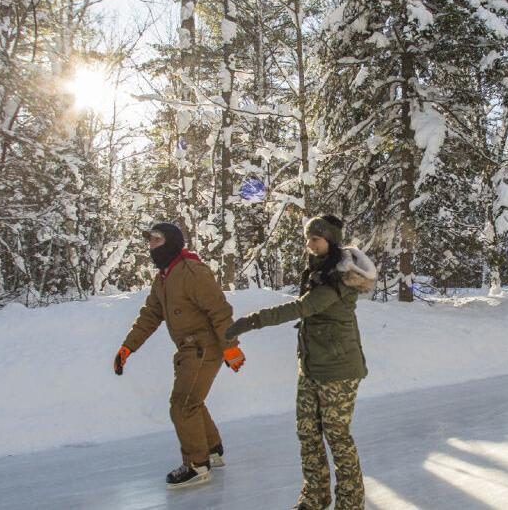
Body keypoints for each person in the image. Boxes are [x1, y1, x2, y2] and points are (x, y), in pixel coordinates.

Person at [225, 214, 377, 510]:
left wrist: (249, 322)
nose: (309, 245)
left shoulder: (341, 278)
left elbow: (303, 307)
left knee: (337, 437)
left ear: (330, 241)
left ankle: (350, 503)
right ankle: (314, 498)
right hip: (310, 366)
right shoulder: (318, 270)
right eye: (307, 239)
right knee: (307, 433)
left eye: (315, 239)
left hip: (338, 370)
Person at [113, 221, 247, 489]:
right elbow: (151, 314)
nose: (151, 246)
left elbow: (219, 310)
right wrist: (128, 347)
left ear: (172, 243)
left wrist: (230, 346)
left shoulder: (192, 271)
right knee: (192, 400)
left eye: (156, 240)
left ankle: (197, 466)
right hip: (188, 348)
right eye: (149, 241)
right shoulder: (164, 276)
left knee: (182, 405)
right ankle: (211, 450)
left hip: (204, 346)